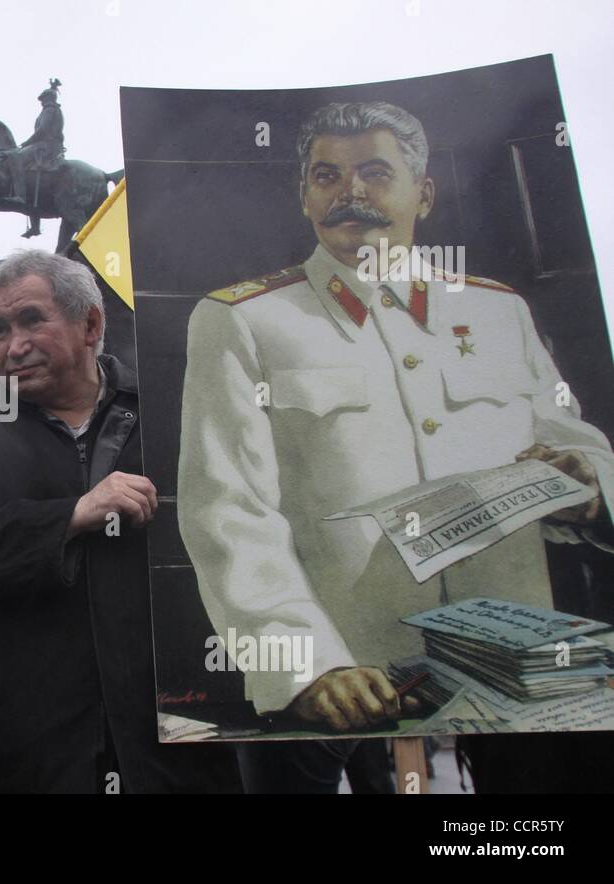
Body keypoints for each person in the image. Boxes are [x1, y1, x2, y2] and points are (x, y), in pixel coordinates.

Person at [178, 100, 614, 791]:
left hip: (517, 673)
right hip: (342, 688)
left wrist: (588, 486)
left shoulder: (499, 311)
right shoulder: (244, 321)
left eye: (375, 173)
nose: (348, 192)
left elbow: (579, 443)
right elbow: (227, 511)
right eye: (326, 176)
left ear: (425, 193)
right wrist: (309, 665)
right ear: (304, 196)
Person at [0, 249, 242, 793]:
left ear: (90, 324)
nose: (12, 346)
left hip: (181, 746)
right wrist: (71, 516)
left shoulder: (176, 414)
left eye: (31, 320)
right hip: (36, 753)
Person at [8, 79, 64, 239]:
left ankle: (19, 196)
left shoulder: (50, 110)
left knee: (15, 158)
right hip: (44, 145)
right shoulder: (49, 110)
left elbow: (42, 130)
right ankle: (35, 226)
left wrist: (27, 142)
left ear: (48, 99)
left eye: (43, 100)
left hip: (46, 146)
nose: (42, 103)